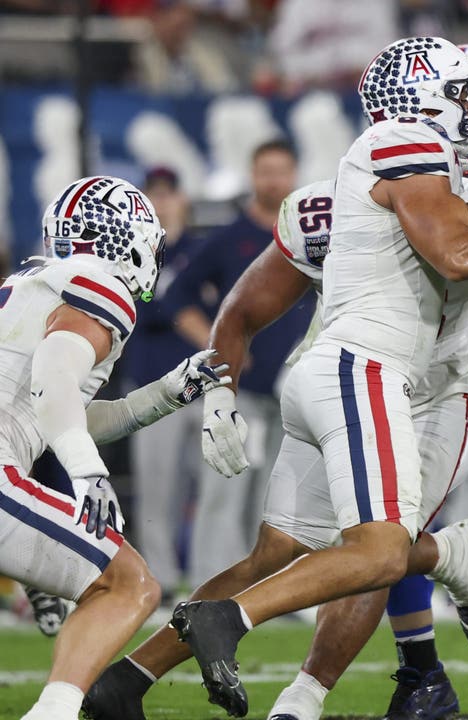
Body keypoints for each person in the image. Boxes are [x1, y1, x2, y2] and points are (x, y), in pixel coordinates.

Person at [160, 36, 468, 719]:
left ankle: (308, 693)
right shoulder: (393, 167)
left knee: (380, 545)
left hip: (459, 383)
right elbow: (246, 308)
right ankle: (438, 582)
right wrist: (219, 390)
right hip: (363, 373)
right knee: (364, 547)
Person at [1, 176, 226, 720]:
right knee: (127, 584)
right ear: (128, 239)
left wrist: (162, 396)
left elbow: (48, 410)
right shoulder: (99, 285)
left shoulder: (31, 284)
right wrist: (86, 471)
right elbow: (53, 382)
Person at [167, 139, 314, 586]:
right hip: (240, 393)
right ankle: (208, 586)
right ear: (253, 175)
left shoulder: (308, 232)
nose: (273, 180)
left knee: (279, 499)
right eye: (265, 170)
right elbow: (175, 299)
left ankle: (266, 588)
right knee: (224, 489)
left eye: (281, 170)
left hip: (292, 393)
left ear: (294, 174)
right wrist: (221, 347)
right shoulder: (230, 237)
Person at [123, 166, 206, 602]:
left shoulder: (203, 248)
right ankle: (161, 581)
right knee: (157, 493)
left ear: (182, 198)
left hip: (204, 387)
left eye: (169, 194)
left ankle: (212, 578)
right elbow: (148, 310)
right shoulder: (130, 253)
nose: (162, 201)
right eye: (153, 195)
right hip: (152, 389)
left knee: (214, 489)